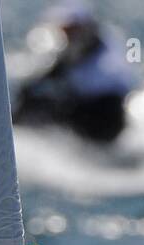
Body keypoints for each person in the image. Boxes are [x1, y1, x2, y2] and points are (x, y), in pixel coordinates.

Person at [12, 3, 134, 144]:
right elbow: (54, 74)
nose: (68, 35)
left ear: (84, 27)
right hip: (89, 110)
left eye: (72, 29)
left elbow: (103, 85)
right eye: (65, 30)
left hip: (105, 115)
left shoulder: (103, 52)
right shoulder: (79, 48)